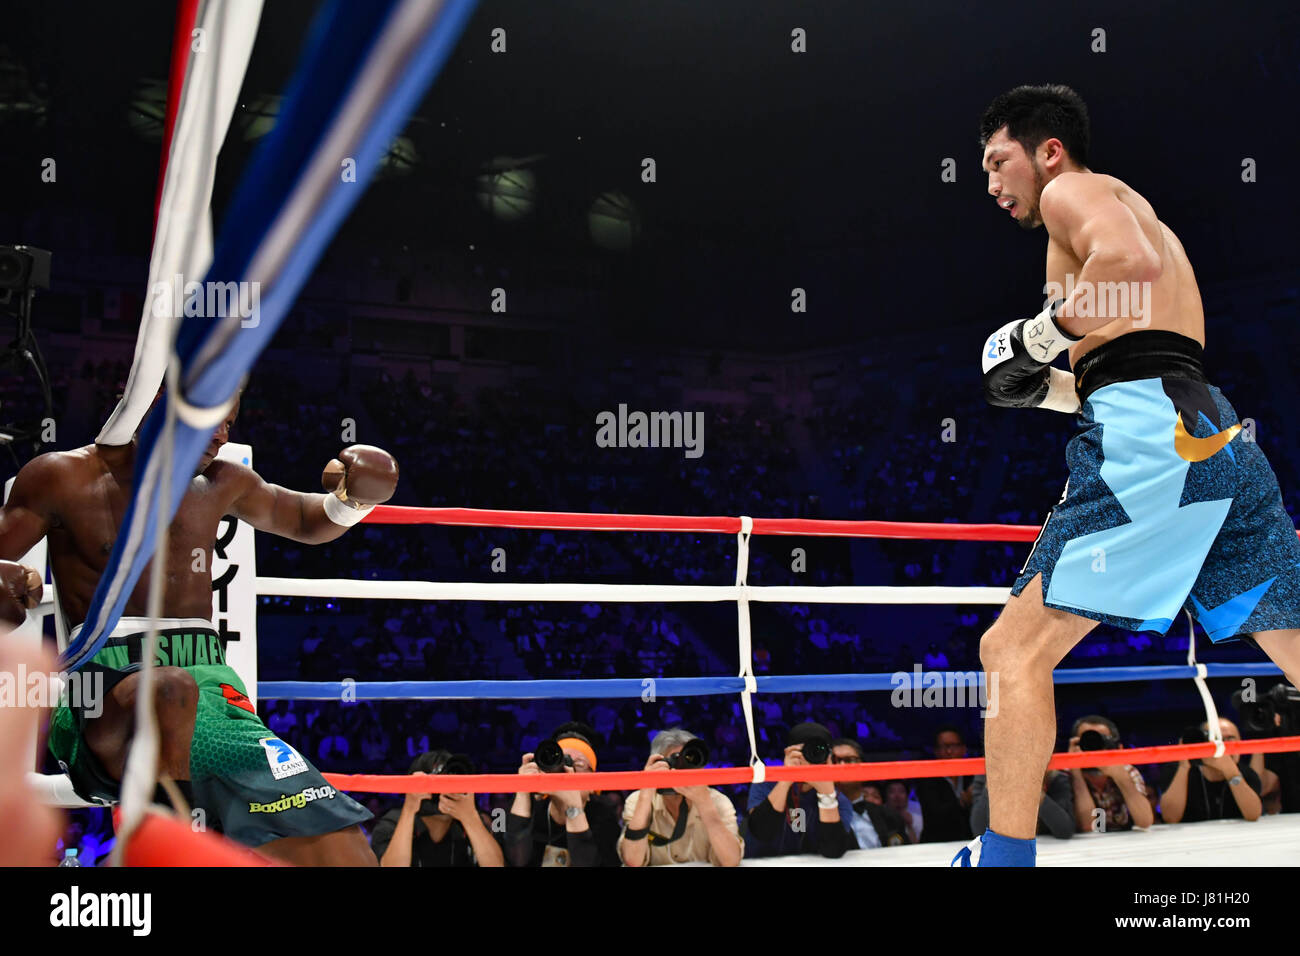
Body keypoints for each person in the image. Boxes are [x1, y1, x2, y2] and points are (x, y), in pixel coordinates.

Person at [970, 83, 1300, 866]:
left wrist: (1035, 334)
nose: (989, 182)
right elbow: (1130, 357)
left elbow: (1130, 264)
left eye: (997, 160)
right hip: (1207, 430)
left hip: (1154, 439)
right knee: (1294, 641)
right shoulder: (1114, 213)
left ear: (1047, 150)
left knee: (1011, 652)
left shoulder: (1072, 191)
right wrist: (1041, 381)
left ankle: (1003, 859)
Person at [0, 391, 399, 865]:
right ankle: (173, 848)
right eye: (208, 418)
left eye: (229, 422)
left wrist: (353, 500)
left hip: (214, 694)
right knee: (170, 690)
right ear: (150, 405)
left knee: (347, 851)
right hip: (102, 688)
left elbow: (301, 518)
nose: (221, 434)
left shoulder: (220, 481)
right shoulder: (62, 476)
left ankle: (196, 839)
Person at [502, 721, 621, 866]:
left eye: (579, 765)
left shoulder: (603, 813)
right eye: (562, 763)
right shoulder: (532, 808)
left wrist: (573, 807)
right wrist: (523, 790)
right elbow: (516, 859)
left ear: (593, 785)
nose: (569, 771)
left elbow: (587, 863)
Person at [619, 728, 743, 866]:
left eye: (690, 760)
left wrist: (705, 804)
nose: (682, 769)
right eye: (675, 760)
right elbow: (632, 861)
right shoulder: (638, 801)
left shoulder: (718, 802)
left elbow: (731, 861)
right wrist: (646, 791)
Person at [743, 722, 857, 859]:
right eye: (806, 751)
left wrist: (827, 795)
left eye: (819, 751)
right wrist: (786, 779)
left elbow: (832, 851)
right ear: (789, 753)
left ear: (828, 757)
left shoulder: (838, 799)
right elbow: (761, 832)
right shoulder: (766, 784)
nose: (812, 756)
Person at [369, 751, 504, 867]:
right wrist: (409, 809)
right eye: (440, 781)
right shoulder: (393, 823)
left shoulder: (470, 821)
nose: (447, 790)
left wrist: (470, 818)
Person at [1159, 718, 1262, 823]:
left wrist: (1231, 772)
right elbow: (1170, 818)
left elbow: (1253, 815)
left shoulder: (1247, 773)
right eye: (1217, 739)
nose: (1223, 747)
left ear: (1240, 742)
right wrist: (1184, 766)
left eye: (1230, 739)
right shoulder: (1176, 770)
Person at [1065, 715, 1154, 834]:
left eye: (1099, 741)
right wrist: (1076, 773)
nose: (1094, 748)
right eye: (1088, 741)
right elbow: (1088, 826)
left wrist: (1121, 778)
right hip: (1083, 848)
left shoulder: (1127, 771)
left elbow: (1145, 822)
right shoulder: (1065, 775)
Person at [830, 737, 909, 848]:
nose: (841, 766)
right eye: (834, 761)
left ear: (864, 768)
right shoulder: (812, 815)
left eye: (849, 760)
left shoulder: (889, 816)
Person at [914, 725, 977, 842]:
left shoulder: (974, 776)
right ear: (936, 751)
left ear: (964, 749)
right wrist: (962, 802)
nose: (949, 751)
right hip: (937, 845)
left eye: (953, 746)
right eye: (943, 747)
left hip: (971, 843)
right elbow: (935, 815)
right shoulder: (926, 779)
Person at [969, 770, 1074, 840]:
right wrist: (995, 780)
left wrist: (1032, 788)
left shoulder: (1054, 778)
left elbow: (1065, 831)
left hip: (1048, 851)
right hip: (1005, 848)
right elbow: (979, 831)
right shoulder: (985, 775)